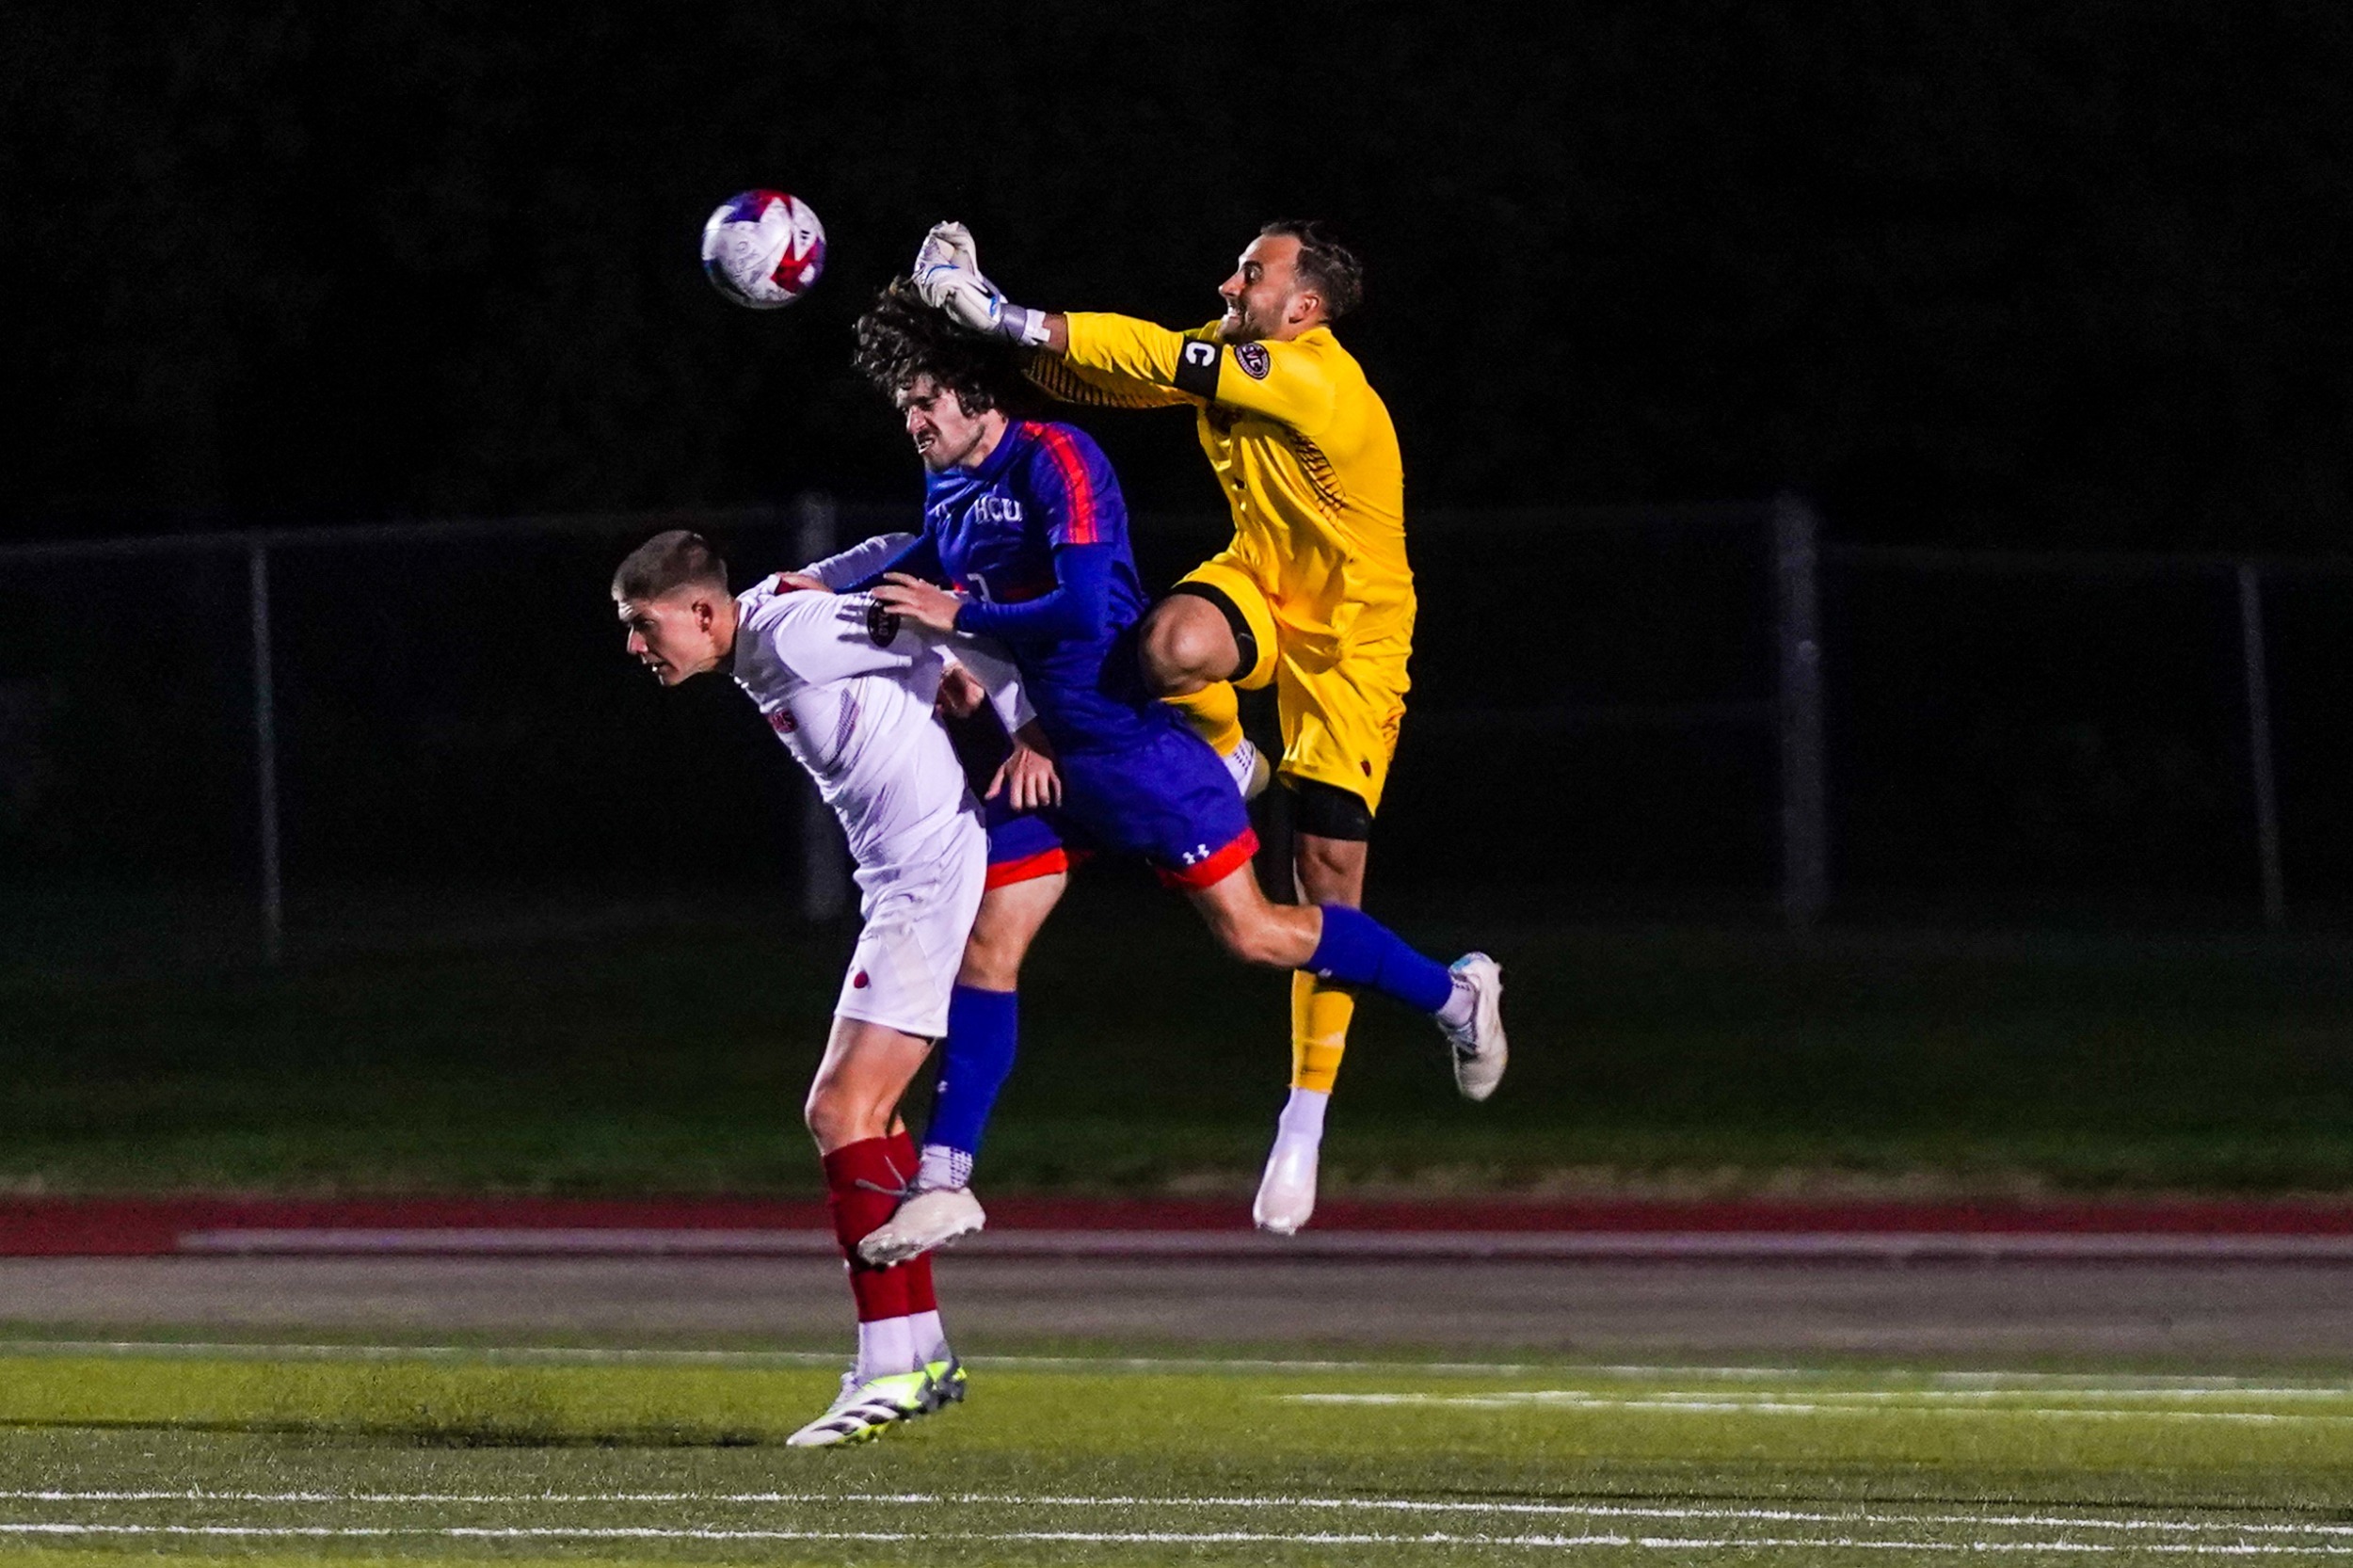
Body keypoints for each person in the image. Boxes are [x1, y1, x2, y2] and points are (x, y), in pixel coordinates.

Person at [811, 280, 1503, 1265]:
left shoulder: (1062, 459)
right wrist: (835, 581)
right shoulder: (948, 479)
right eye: (905, 407)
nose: (914, 421)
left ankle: (1453, 994)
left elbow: (1084, 611)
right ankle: (945, 1178)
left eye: (926, 400)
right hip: (1048, 765)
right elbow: (939, 550)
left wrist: (954, 618)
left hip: (1134, 758)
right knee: (986, 950)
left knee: (1259, 936)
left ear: (978, 396)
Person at [610, 527, 1050, 1447]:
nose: (634, 646)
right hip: (903, 882)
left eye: (643, 625)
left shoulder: (790, 633)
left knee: (840, 1110)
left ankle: (891, 1364)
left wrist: (989, 693)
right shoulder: (768, 616)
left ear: (701, 612)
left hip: (927, 879)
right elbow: (886, 554)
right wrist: (906, 564)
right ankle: (918, 1349)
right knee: (870, 1118)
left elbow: (907, 616)